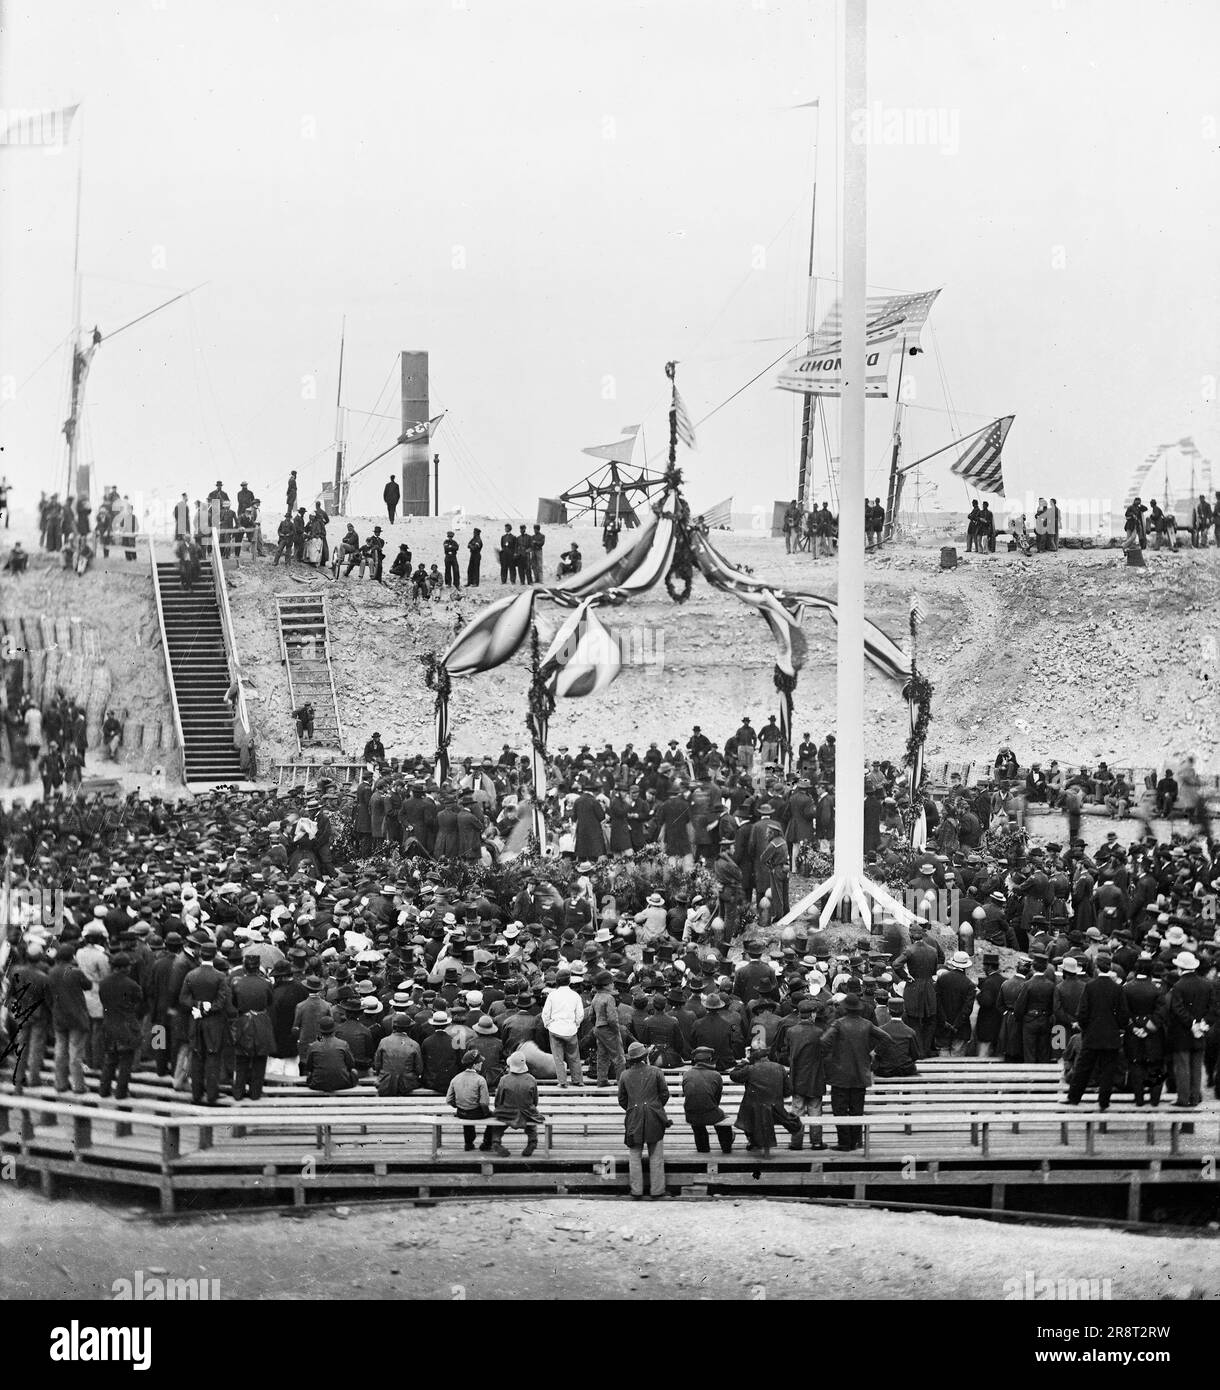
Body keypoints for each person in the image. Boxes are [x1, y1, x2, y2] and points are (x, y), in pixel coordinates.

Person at [818, 994, 889, 1151]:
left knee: (840, 1109)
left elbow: (823, 1042)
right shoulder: (867, 1024)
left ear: (845, 1008)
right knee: (857, 1109)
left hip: (840, 1074)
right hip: (860, 1073)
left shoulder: (838, 1024)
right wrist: (873, 1052)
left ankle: (844, 1142)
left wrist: (831, 1055)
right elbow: (886, 1038)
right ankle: (856, 1141)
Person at [1064, 954, 1129, 1110]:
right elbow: (1123, 1015)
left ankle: (1074, 1097)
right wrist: (1116, 1027)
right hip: (1111, 1036)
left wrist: (1086, 1029)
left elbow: (1082, 1014)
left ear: (1097, 968)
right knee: (1108, 1070)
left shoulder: (1090, 987)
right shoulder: (1117, 988)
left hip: (1092, 1035)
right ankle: (1103, 1102)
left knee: (1083, 1068)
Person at [180, 941, 233, 1106]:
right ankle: (211, 1094)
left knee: (196, 1056)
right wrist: (207, 1008)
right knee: (213, 1057)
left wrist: (197, 1006)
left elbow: (183, 998)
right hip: (214, 1023)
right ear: (215, 954)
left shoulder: (191, 975)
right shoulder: (220, 976)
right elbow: (222, 1000)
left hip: (196, 1021)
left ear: (201, 955)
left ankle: (196, 1094)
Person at [617, 1040, 670, 1199]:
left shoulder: (624, 1075)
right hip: (654, 1116)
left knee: (634, 1155)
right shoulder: (656, 1071)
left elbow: (622, 1099)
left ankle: (636, 1190)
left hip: (634, 1118)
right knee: (656, 1155)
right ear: (645, 1056)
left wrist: (633, 1108)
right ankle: (657, 1190)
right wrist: (656, 1106)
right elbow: (664, 1094)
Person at [729, 1043, 801, 1157]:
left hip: (753, 1112)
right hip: (776, 1111)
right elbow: (788, 1091)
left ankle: (752, 1141)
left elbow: (733, 1075)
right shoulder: (779, 1068)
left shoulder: (750, 1069)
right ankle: (755, 1141)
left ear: (753, 1056)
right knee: (755, 1109)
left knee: (748, 1110)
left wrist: (744, 1062)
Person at [1165, 952, 1210, 1109]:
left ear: (1180, 967)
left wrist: (1192, 1023)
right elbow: (1213, 1007)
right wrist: (1203, 1023)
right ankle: (1195, 1096)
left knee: (1183, 1067)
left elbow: (1177, 1009)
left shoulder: (1178, 986)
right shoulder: (1206, 984)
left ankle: (1183, 1098)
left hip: (1182, 1033)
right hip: (1201, 1031)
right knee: (1197, 1067)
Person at [97, 952, 144, 1100]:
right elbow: (138, 1002)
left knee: (110, 1060)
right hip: (127, 1027)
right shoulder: (132, 985)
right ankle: (121, 1092)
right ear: (124, 968)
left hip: (109, 1025)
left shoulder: (103, 984)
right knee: (126, 1062)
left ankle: (104, 1090)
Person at [47, 943, 93, 1095]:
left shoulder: (51, 972)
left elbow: (48, 997)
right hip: (76, 1017)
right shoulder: (75, 972)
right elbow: (88, 985)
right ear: (71, 956)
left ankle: (60, 1083)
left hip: (59, 1016)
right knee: (75, 1054)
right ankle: (78, 1086)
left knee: (60, 1051)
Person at [230, 953, 275, 1101]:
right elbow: (270, 1001)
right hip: (261, 1021)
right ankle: (256, 1093)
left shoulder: (237, 983)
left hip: (243, 1021)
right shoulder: (266, 983)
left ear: (244, 966)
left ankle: (238, 1092)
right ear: (258, 967)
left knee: (241, 1059)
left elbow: (234, 1003)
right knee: (260, 1060)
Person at [682, 1045, 734, 1154]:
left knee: (697, 1121)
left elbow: (687, 1094)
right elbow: (716, 1099)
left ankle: (703, 1149)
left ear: (695, 1060)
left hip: (691, 1115)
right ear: (710, 1060)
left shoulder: (687, 1074)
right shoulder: (716, 1075)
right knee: (723, 1121)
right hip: (709, 1112)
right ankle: (726, 1147)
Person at [446, 1049, 499, 1152]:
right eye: (479, 1063)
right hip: (475, 1112)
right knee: (494, 1118)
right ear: (474, 1065)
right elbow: (484, 1103)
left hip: (461, 1112)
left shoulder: (456, 1078)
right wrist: (487, 1113)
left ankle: (468, 1143)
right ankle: (486, 1144)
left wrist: (460, 1106)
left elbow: (449, 1100)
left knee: (467, 1114)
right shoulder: (480, 1080)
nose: (481, 1064)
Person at [493, 1052, 542, 1157]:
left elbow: (498, 1101)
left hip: (507, 1112)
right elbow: (535, 1101)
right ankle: (532, 1141)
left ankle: (496, 1142)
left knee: (497, 1125)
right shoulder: (531, 1079)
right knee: (532, 1122)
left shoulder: (504, 1079)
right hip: (526, 1112)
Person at [541, 968, 584, 1086]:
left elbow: (545, 1013)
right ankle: (578, 1080)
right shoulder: (575, 995)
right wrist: (576, 1024)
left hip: (555, 1028)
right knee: (574, 1056)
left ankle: (562, 1081)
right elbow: (580, 1014)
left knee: (558, 1057)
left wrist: (548, 1024)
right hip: (570, 1029)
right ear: (569, 981)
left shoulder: (552, 995)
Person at [304, 1015, 358, 1092]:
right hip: (343, 1083)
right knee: (354, 1071)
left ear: (320, 1030)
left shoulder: (313, 1045)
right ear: (334, 1029)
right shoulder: (343, 1044)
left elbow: (309, 1067)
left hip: (318, 1084)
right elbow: (351, 1064)